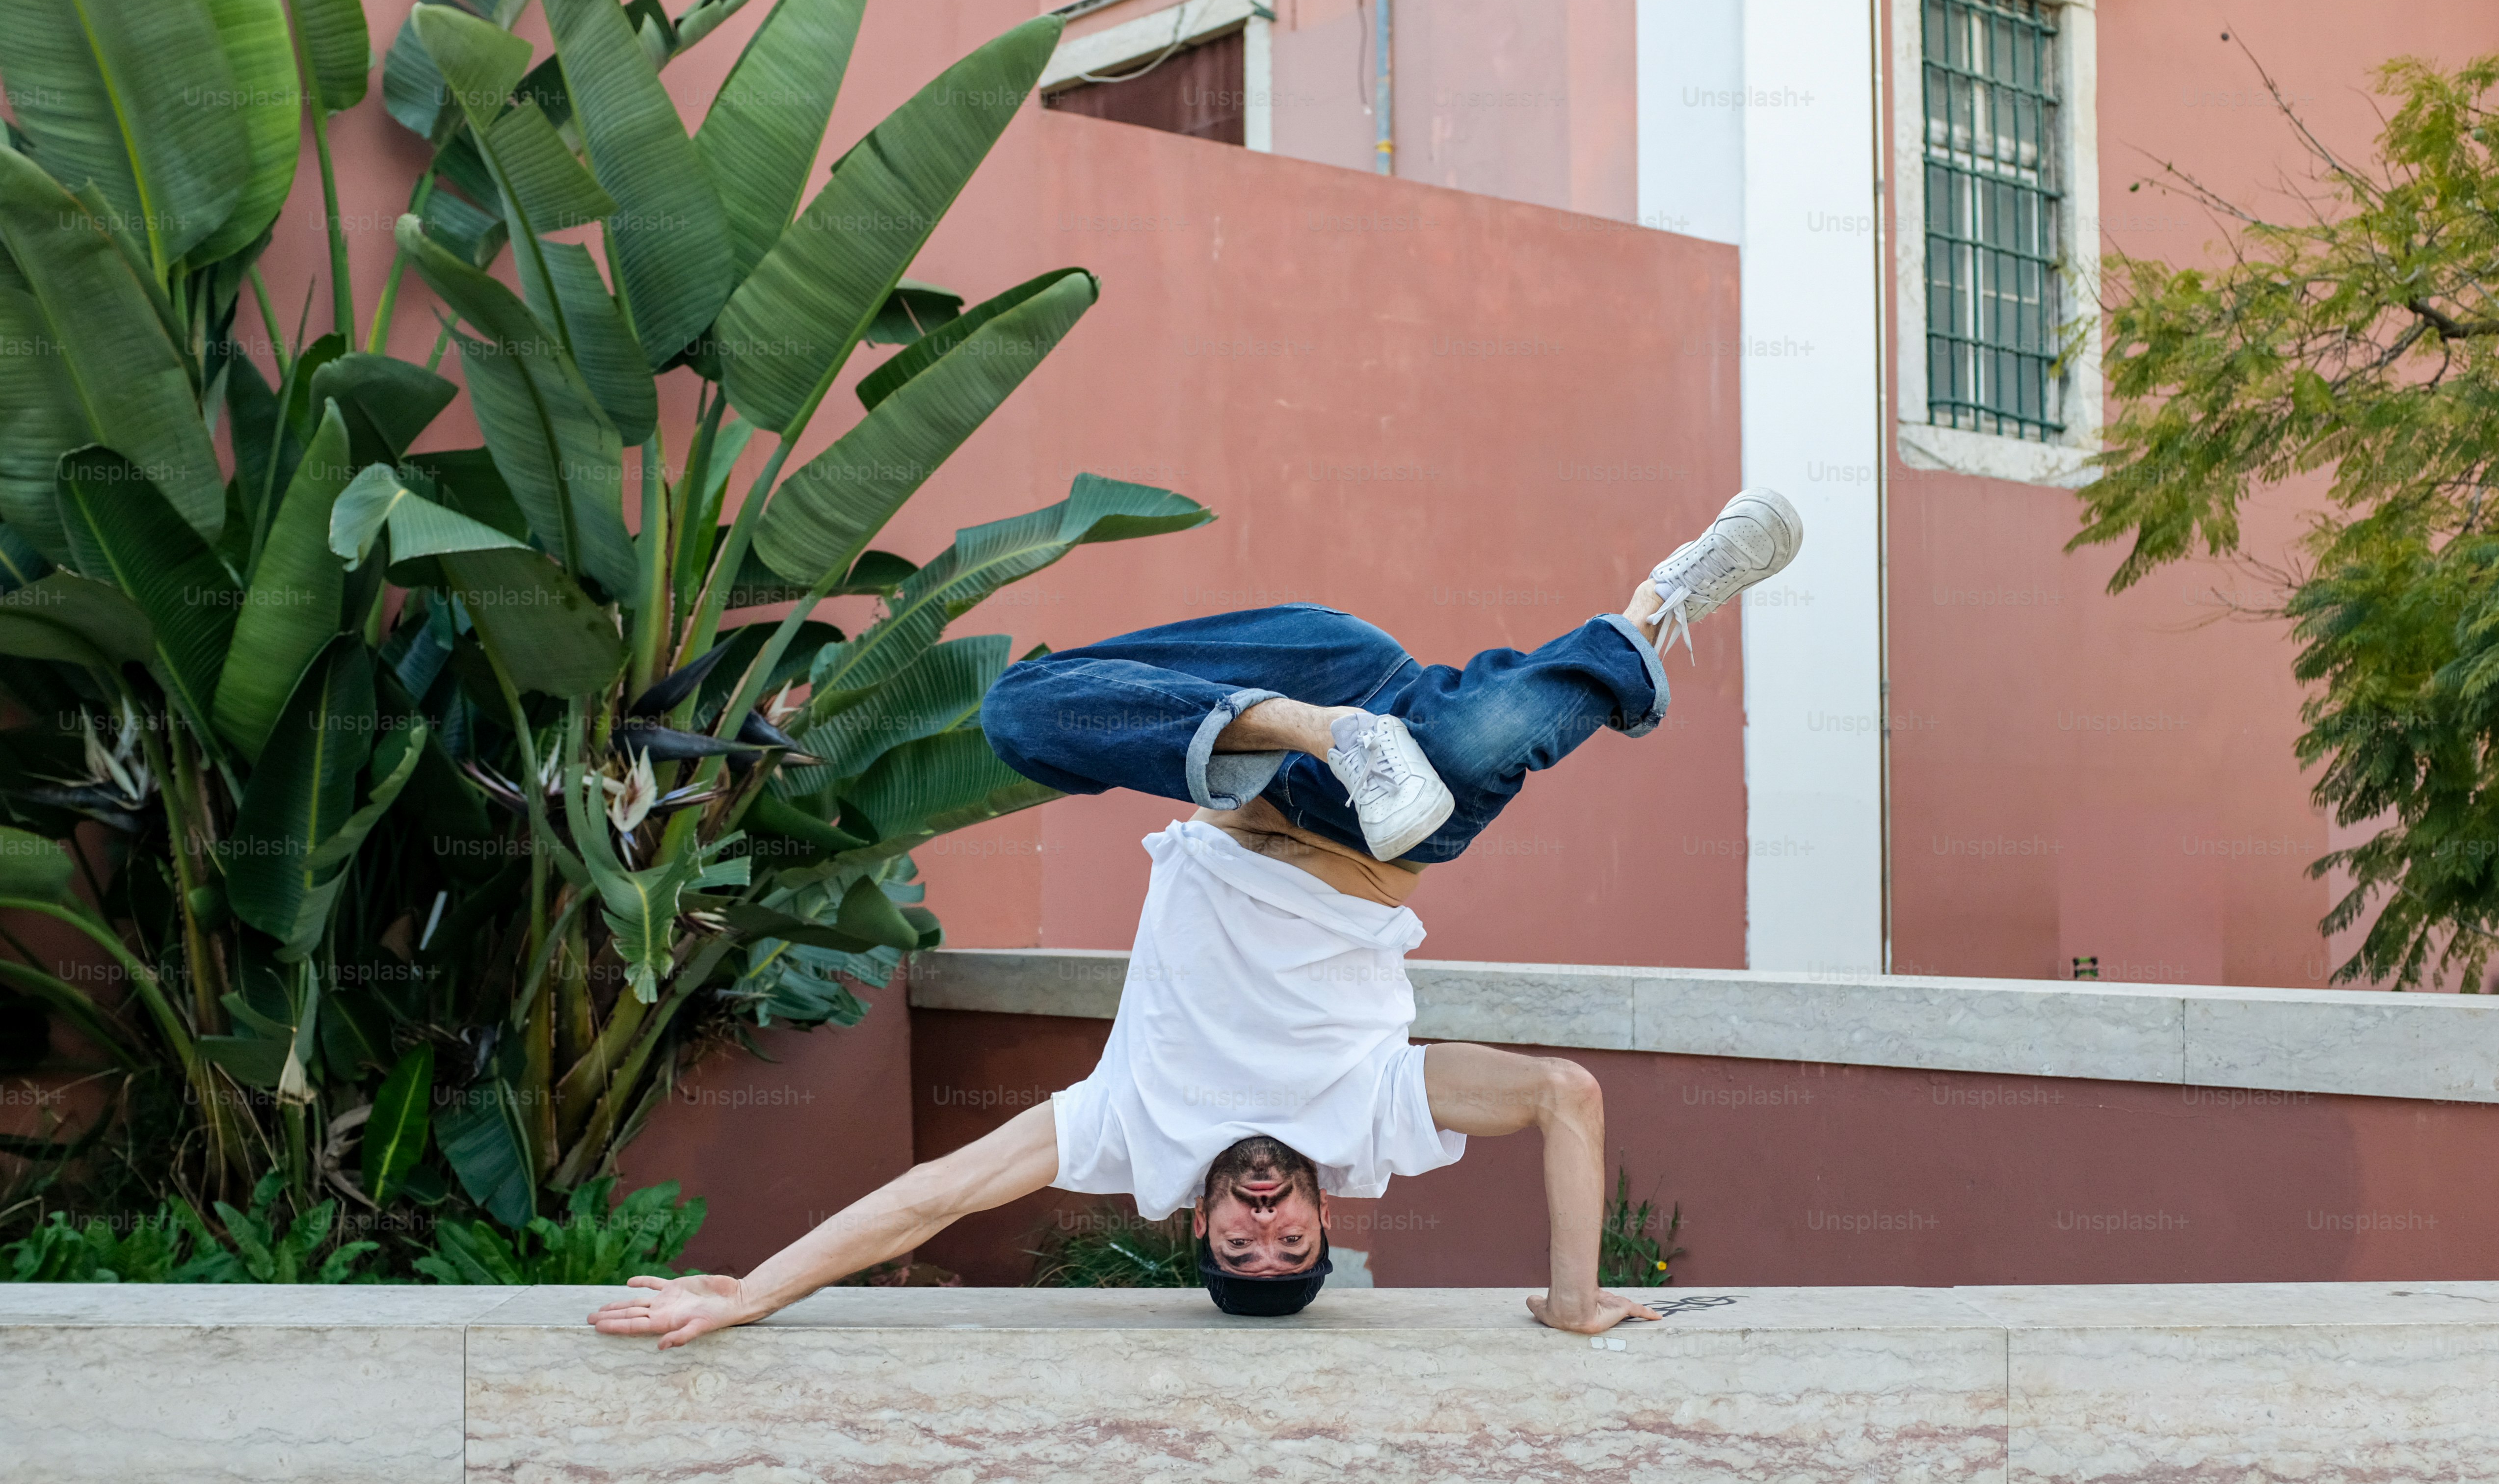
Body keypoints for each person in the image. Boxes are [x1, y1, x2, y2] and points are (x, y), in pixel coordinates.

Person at [591, 488, 1804, 1345]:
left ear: (1198, 1226)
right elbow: (1563, 1097)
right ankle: (1659, 603)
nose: (1265, 1224)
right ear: (1333, 1213)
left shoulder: (1133, 1135)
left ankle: (1331, 730)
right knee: (1482, 739)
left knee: (1018, 714)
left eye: (1242, 1245)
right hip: (1387, 818)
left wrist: (745, 1294)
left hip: (1265, 738)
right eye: (1290, 1244)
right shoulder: (1368, 1122)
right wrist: (1574, 1302)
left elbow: (934, 1197)